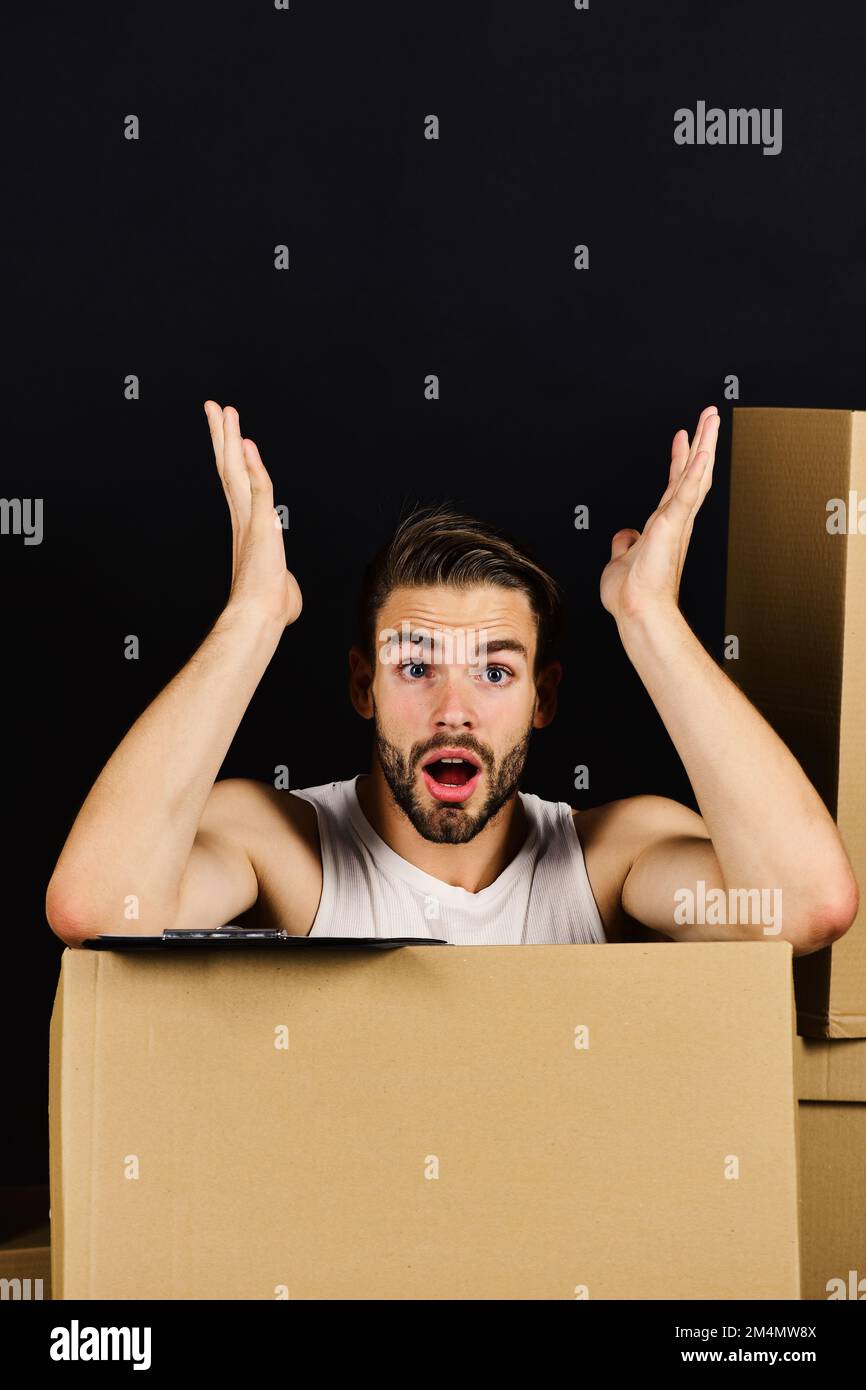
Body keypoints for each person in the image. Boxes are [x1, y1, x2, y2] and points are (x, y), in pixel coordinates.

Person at [45, 401, 859, 953]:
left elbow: (805, 906)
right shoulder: (285, 849)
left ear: (543, 700)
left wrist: (652, 620)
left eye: (496, 672)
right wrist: (253, 620)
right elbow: (97, 908)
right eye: (414, 665)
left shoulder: (608, 859)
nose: (454, 709)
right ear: (363, 687)